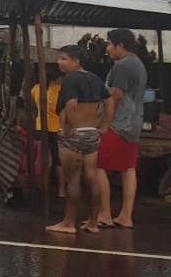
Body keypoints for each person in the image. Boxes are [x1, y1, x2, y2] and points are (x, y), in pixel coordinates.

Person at [46, 45, 110, 235]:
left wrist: (66, 128)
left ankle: (68, 222)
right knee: (92, 177)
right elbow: (110, 101)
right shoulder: (94, 78)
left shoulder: (71, 79)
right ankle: (93, 222)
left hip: (73, 135)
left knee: (72, 179)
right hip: (91, 133)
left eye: (64, 59)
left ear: (76, 62)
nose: (59, 62)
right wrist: (104, 124)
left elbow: (71, 104)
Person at [94, 28, 147, 229]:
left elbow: (115, 96)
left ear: (120, 46)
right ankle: (126, 215)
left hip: (117, 124)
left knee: (98, 166)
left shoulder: (123, 66)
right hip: (133, 124)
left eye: (109, 44)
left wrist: (104, 123)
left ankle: (105, 213)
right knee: (128, 168)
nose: (107, 48)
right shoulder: (138, 64)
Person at [31, 64, 65, 198]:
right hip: (57, 129)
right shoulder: (62, 90)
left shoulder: (36, 89)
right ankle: (62, 189)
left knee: (44, 159)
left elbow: (33, 107)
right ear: (55, 78)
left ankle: (44, 187)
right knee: (58, 160)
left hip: (40, 128)